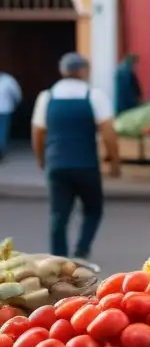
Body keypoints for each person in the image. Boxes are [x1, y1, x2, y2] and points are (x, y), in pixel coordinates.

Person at [30, 53, 120, 259]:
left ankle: (58, 259)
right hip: (86, 165)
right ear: (84, 71)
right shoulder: (94, 96)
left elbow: (37, 132)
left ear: (62, 71)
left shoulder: (47, 97)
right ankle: (82, 248)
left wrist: (41, 159)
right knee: (93, 210)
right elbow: (108, 132)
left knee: (58, 215)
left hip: (56, 165)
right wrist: (114, 161)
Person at [0, 69, 21, 160]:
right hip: (5, 109)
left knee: (2, 131)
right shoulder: (8, 80)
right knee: (2, 131)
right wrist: (16, 104)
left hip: (5, 109)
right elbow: (17, 94)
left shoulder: (8, 79)